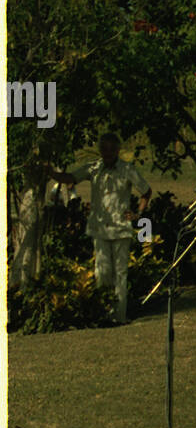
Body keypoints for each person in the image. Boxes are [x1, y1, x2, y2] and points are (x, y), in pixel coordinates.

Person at [51, 133, 151, 325]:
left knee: (120, 273)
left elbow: (146, 191)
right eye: (103, 148)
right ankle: (103, 314)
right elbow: (71, 177)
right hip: (99, 227)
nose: (107, 152)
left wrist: (138, 214)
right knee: (102, 272)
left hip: (121, 228)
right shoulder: (94, 168)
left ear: (117, 150)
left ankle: (119, 317)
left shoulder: (127, 169)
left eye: (111, 149)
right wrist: (50, 172)